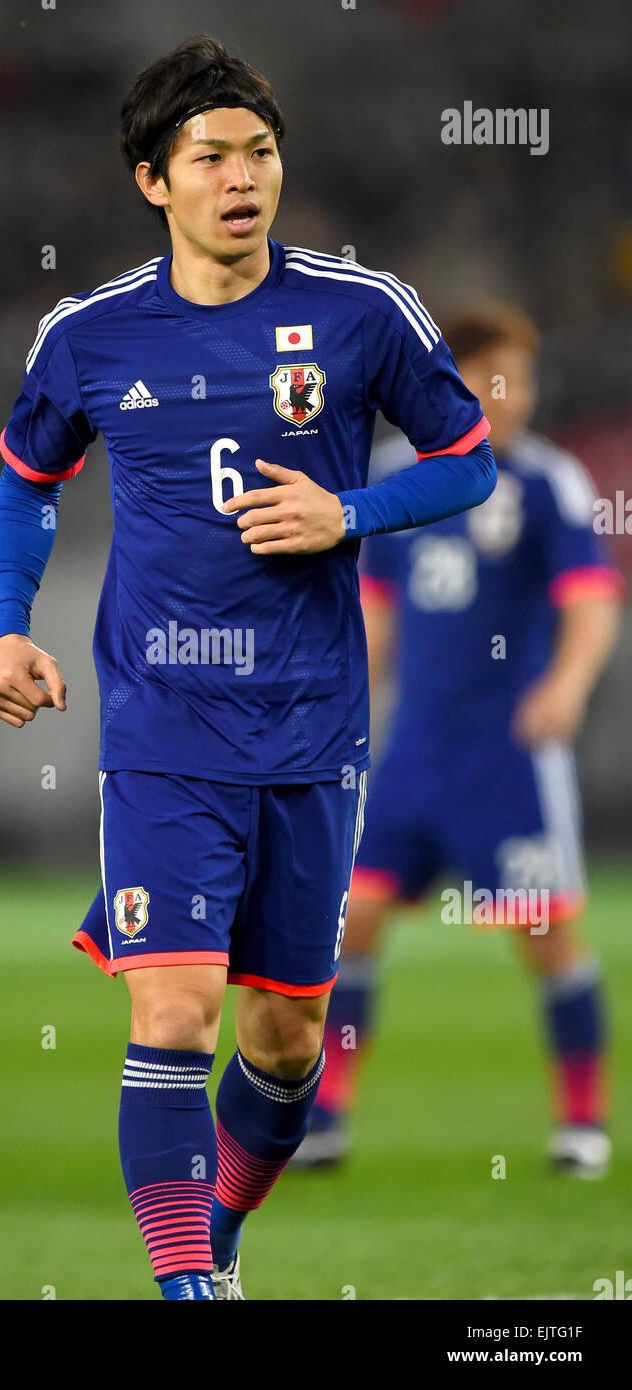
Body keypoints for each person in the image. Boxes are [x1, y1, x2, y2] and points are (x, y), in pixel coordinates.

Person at [0, 35, 496, 1300]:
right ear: (151, 181)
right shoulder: (91, 335)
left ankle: (207, 1240)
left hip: (312, 729)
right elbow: (27, 483)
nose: (240, 177)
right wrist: (7, 622)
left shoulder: (360, 312)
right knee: (173, 1016)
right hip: (159, 724)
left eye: (258, 152)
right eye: (208, 157)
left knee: (285, 1043)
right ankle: (185, 1288)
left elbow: (469, 455)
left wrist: (352, 514)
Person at [292, 304, 623, 1178]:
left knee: (543, 937)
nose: (508, 397)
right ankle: (324, 1117)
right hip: (413, 754)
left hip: (507, 758)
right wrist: (331, 704)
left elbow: (590, 599)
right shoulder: (400, 482)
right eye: (488, 379)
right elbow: (376, 616)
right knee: (351, 922)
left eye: (519, 378)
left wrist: (564, 684)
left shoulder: (548, 482)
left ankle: (581, 1123)